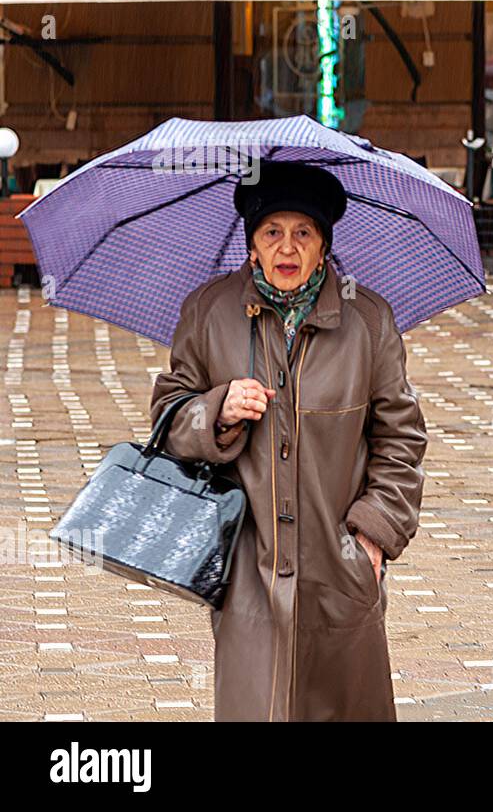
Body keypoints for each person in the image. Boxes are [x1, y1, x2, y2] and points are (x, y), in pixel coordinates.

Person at [149, 161, 428, 721]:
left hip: (340, 559)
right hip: (247, 566)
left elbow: (402, 435)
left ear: (323, 245)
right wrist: (216, 409)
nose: (287, 247)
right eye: (272, 231)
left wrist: (372, 535)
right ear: (251, 242)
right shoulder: (208, 312)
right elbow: (167, 419)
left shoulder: (368, 321)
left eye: (303, 233)